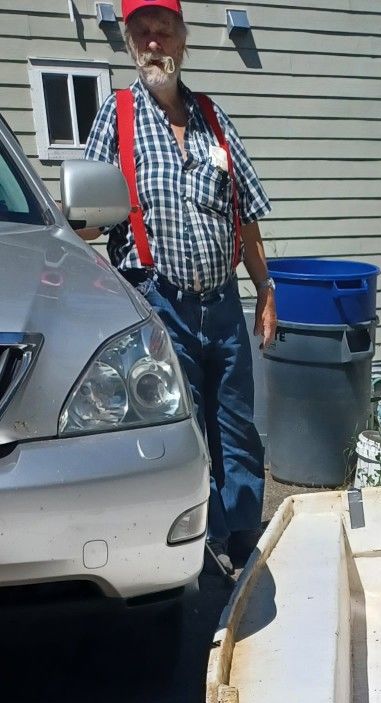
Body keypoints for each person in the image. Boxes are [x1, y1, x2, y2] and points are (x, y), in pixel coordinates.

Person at [84, 0, 277, 573]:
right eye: (141, 32)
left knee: (237, 426)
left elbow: (245, 216)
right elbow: (87, 213)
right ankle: (192, 546)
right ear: (128, 41)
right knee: (180, 433)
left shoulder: (214, 118)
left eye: (162, 31)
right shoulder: (115, 117)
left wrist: (266, 291)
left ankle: (241, 539)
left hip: (221, 304)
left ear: (182, 41)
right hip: (158, 305)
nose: (152, 43)